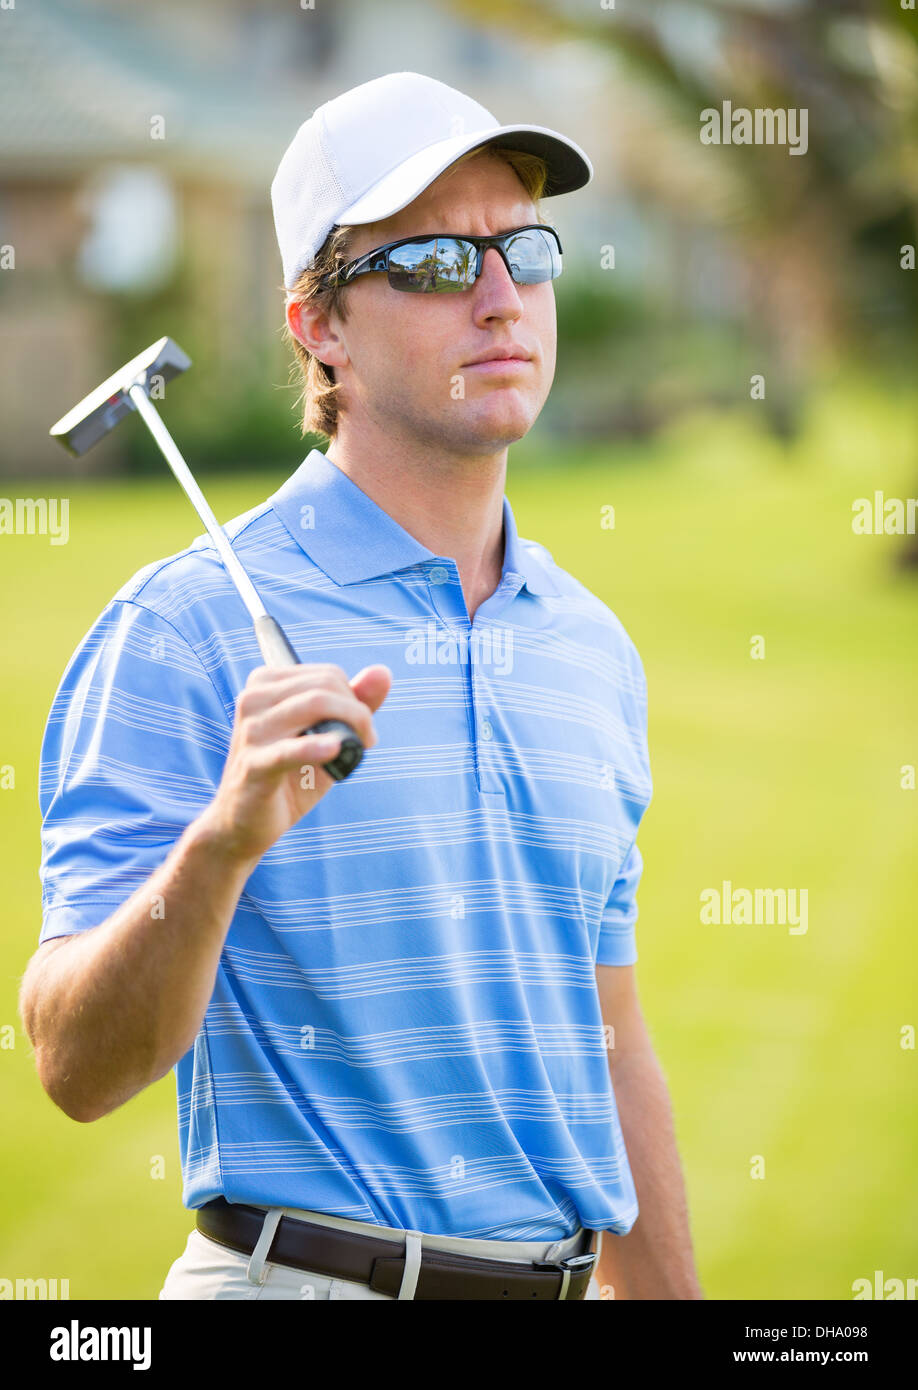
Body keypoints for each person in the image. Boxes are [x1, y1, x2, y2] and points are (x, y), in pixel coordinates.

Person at [20, 71, 702, 1301]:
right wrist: (222, 844)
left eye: (522, 251)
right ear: (319, 326)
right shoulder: (183, 629)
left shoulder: (589, 645)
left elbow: (606, 1041)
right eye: (436, 262)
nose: (500, 299)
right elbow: (74, 1061)